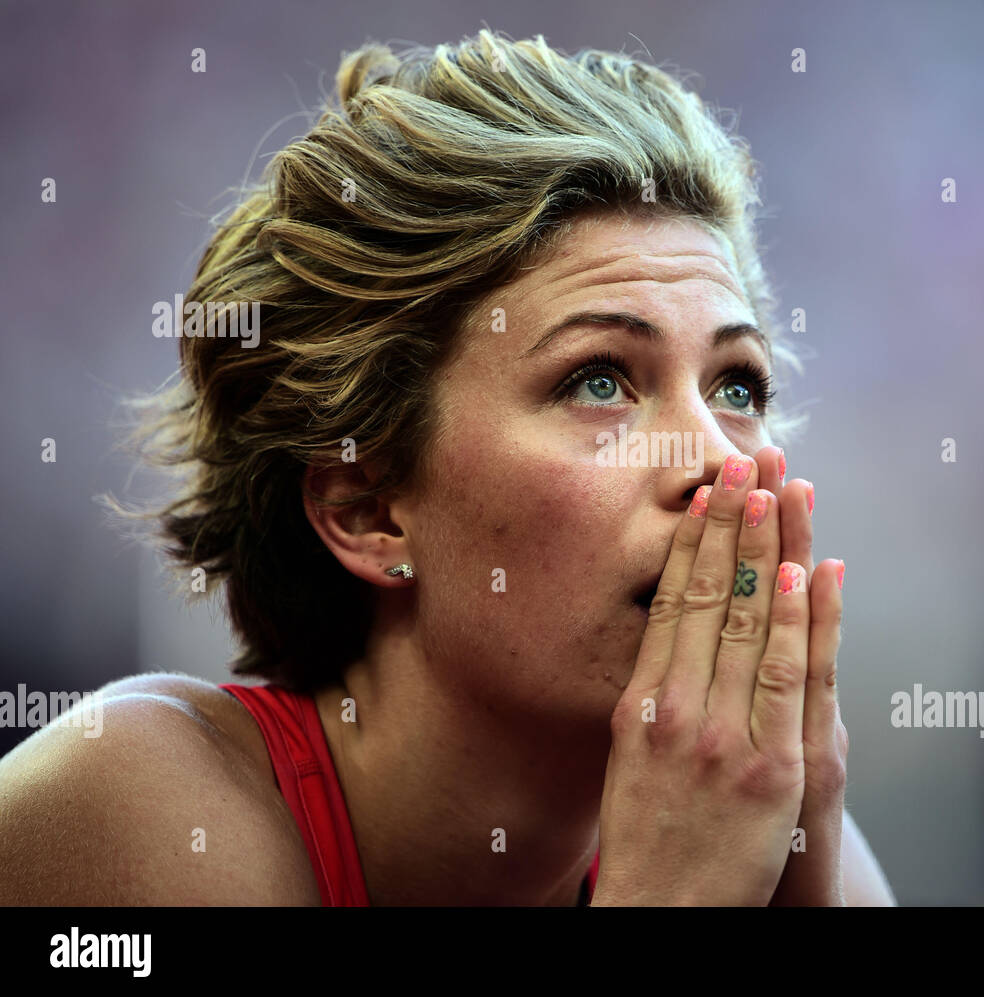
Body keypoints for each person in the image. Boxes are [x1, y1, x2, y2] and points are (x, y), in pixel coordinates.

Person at [0, 30, 894, 906]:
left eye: (737, 386)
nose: (709, 458)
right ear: (366, 506)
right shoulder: (135, 803)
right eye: (599, 379)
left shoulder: (783, 833)